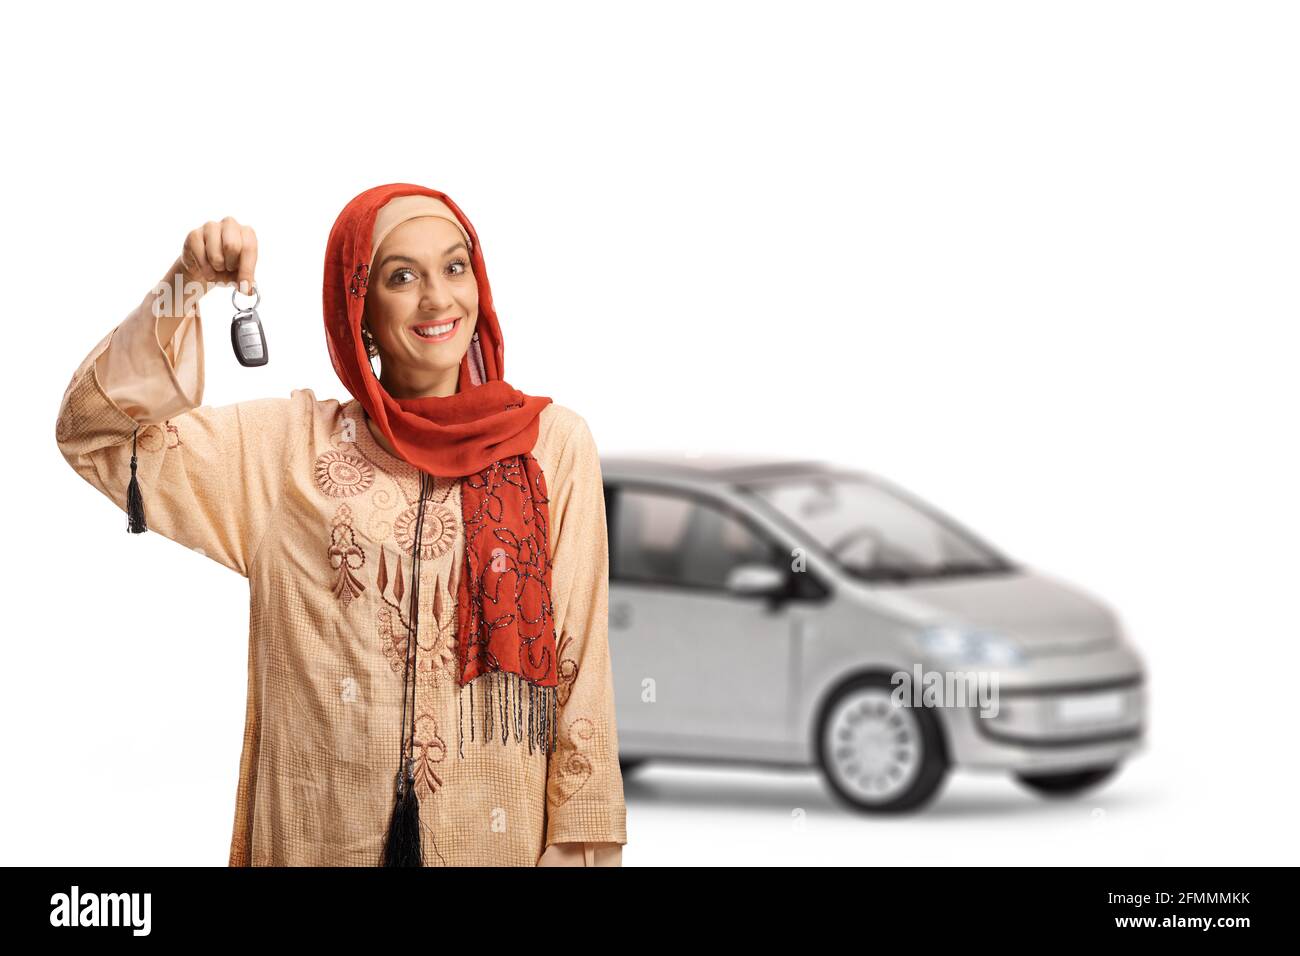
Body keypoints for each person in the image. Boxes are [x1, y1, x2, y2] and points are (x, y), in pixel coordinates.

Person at [54, 183, 627, 866]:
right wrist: (186, 286)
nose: (438, 298)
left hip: (496, 846)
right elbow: (95, 434)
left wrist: (581, 847)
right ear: (359, 308)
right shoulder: (287, 451)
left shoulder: (549, 446)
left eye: (454, 266)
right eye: (401, 276)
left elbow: (581, 661)